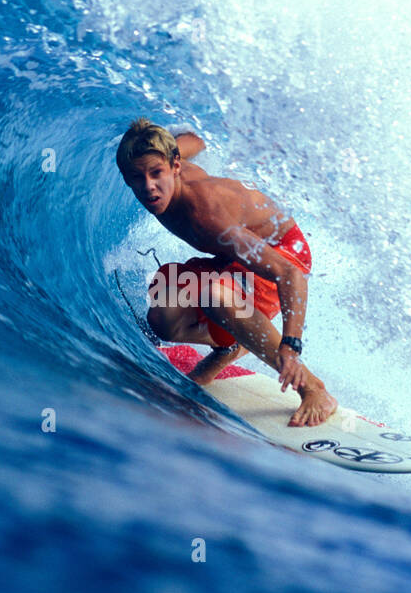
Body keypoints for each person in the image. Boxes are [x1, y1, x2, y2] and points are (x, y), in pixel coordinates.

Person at [116, 117, 337, 427]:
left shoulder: (205, 215)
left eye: (156, 174)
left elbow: (290, 275)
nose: (148, 186)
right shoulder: (164, 164)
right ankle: (229, 346)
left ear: (174, 167)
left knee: (212, 294)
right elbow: (194, 140)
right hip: (238, 258)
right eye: (137, 177)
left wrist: (291, 346)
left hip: (285, 253)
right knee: (163, 312)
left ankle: (312, 388)